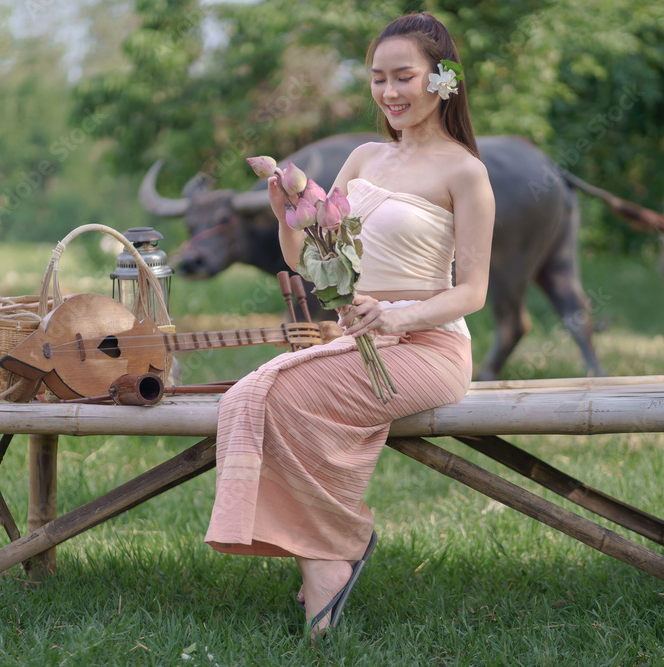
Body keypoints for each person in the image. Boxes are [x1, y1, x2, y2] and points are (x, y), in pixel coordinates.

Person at [204, 11, 495, 638]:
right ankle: (326, 550)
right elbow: (312, 260)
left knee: (279, 391)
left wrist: (396, 314)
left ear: (441, 78)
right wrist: (286, 218)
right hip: (360, 341)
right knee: (250, 394)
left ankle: (331, 554)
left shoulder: (465, 172)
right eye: (377, 78)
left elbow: (473, 292)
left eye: (404, 77)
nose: (389, 92)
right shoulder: (364, 158)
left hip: (429, 347)